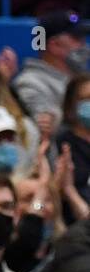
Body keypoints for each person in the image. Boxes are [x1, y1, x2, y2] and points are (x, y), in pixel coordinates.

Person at [53, 72, 90, 223]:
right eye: (85, 99)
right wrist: (66, 188)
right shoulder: (61, 144)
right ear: (71, 105)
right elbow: (50, 198)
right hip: (74, 230)